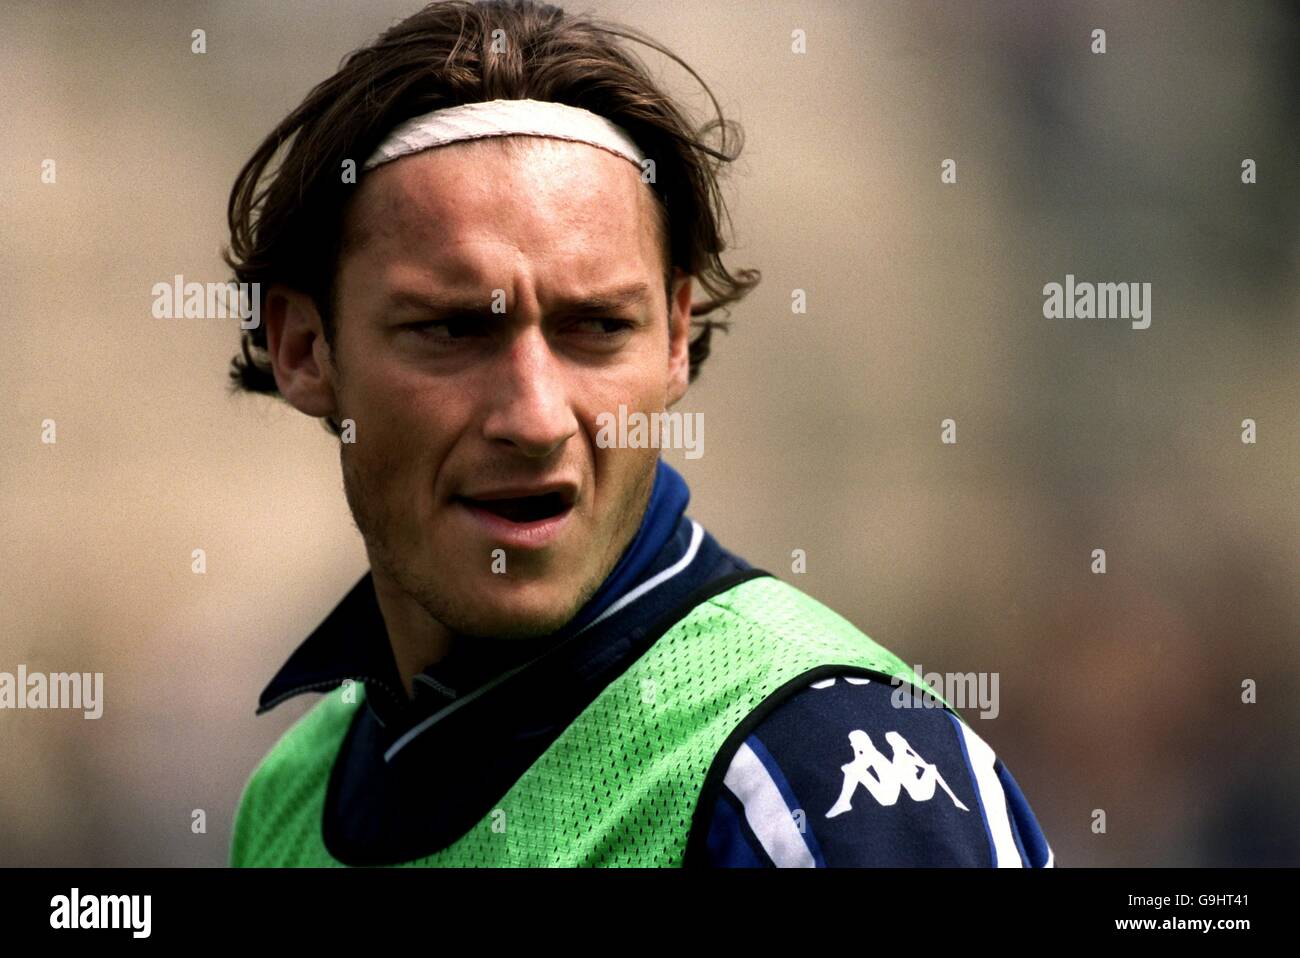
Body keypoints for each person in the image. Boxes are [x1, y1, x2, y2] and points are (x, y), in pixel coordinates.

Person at [226, 0, 1053, 868]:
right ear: (304, 348)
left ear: (673, 338)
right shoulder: (292, 796)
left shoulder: (812, 776)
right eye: (454, 329)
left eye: (596, 327)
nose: (536, 420)